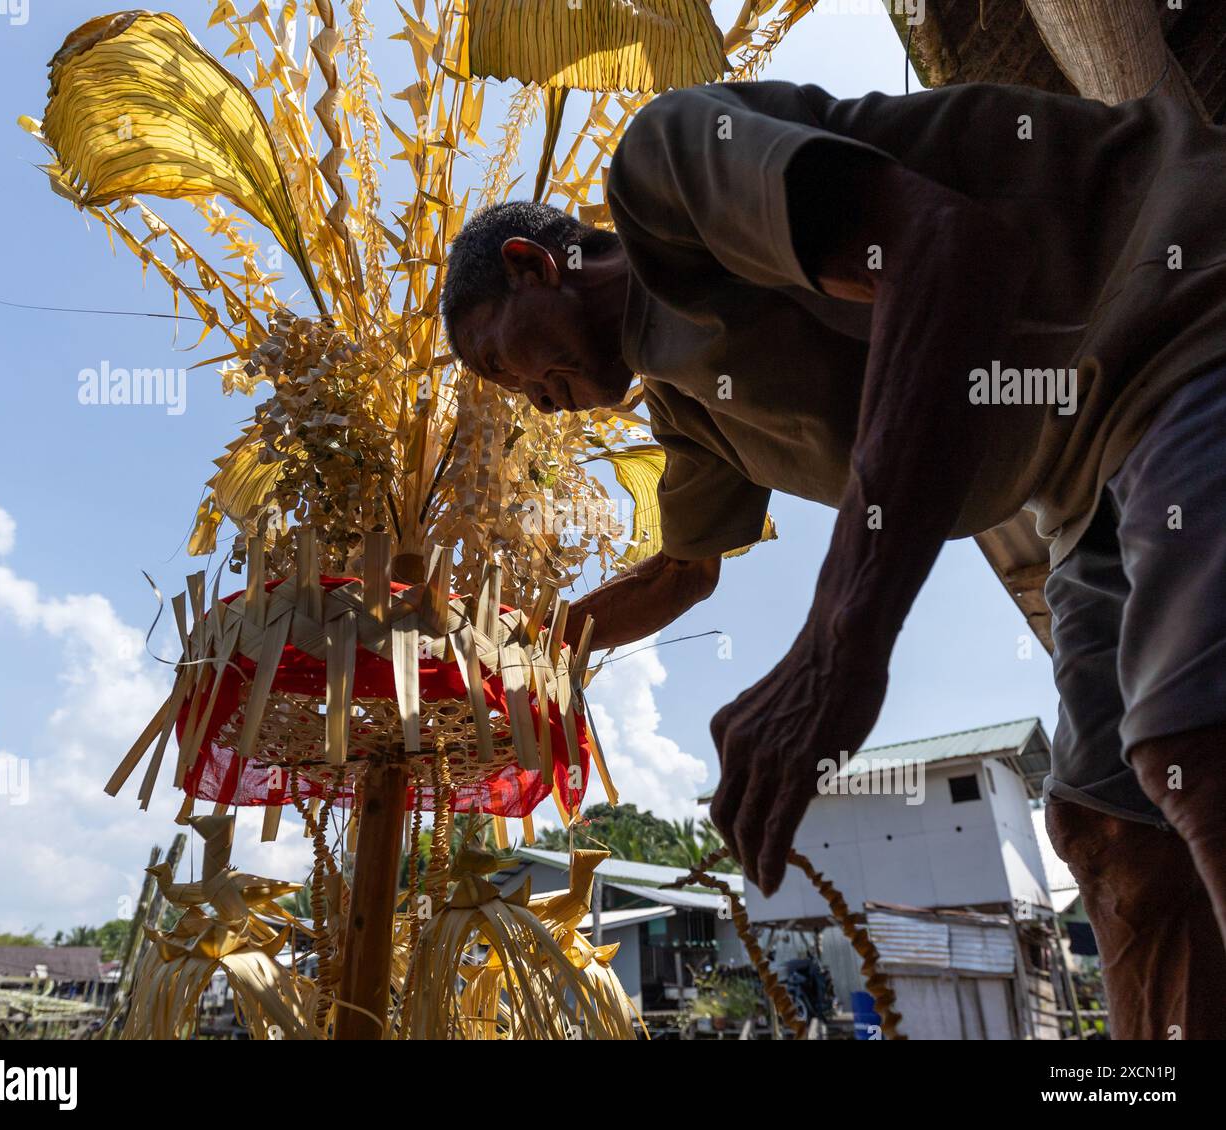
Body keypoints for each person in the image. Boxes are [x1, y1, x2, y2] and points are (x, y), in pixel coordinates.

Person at [439, 80, 1226, 1038]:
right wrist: (501, 660)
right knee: (1110, 835)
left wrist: (837, 644)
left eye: (498, 365)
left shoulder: (666, 173)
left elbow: (949, 252)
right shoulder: (687, 409)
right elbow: (682, 572)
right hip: (1084, 482)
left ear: (532, 266)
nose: (531, 402)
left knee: (1196, 736)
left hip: (1180, 311)